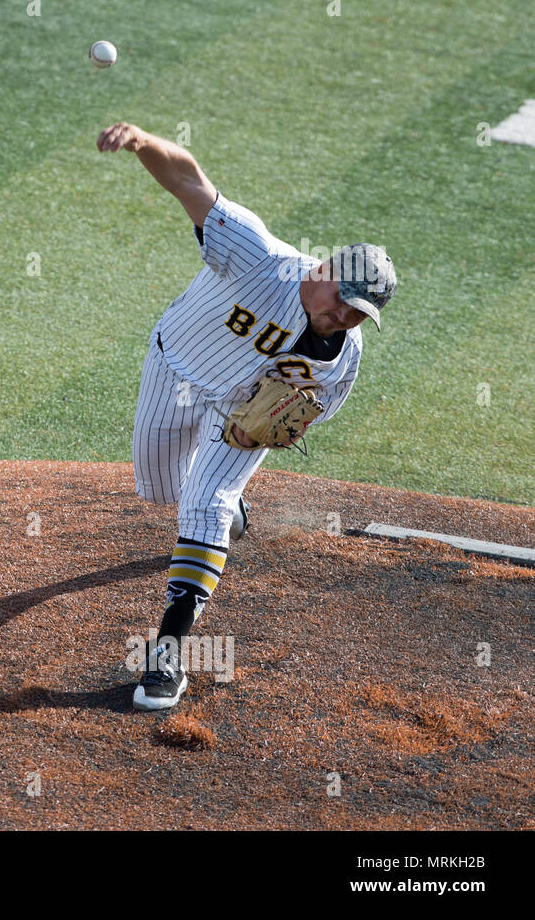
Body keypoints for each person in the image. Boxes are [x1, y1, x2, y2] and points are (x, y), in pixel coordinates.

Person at [96, 121, 397, 710]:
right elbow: (189, 181)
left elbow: (306, 414)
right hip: (174, 369)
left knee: (203, 504)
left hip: (238, 414)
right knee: (162, 490)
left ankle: (166, 656)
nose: (343, 316)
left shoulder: (342, 357)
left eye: (358, 313)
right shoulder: (260, 258)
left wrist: (272, 431)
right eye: (342, 299)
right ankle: (226, 511)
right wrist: (140, 142)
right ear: (326, 270)